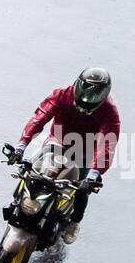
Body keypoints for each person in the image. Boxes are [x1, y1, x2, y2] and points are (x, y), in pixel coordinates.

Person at [9, 67, 119, 244]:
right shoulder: (61, 95)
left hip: (85, 152)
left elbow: (107, 145)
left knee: (81, 190)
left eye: (94, 95)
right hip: (56, 143)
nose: (87, 98)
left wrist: (94, 173)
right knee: (29, 169)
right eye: (86, 91)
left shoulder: (109, 111)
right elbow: (40, 117)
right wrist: (21, 145)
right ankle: (16, 202)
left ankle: (74, 223)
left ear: (104, 94)